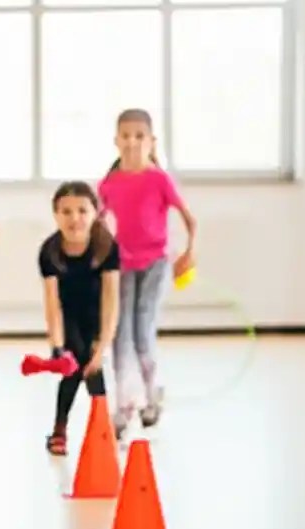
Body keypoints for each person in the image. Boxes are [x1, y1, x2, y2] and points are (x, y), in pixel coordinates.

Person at [96, 108, 197, 436]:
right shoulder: (110, 183)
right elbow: (96, 222)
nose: (132, 142)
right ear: (116, 140)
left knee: (142, 331)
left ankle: (153, 395)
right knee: (118, 335)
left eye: (139, 136)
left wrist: (188, 253)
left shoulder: (159, 179)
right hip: (122, 265)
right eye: (125, 136)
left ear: (151, 141)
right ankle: (125, 405)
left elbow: (190, 219)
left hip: (154, 264)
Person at [37, 182, 121, 455]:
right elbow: (52, 304)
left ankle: (99, 428)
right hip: (69, 317)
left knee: (93, 364)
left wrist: (104, 344)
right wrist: (57, 346)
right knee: (75, 366)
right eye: (66, 212)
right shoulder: (50, 251)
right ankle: (65, 430)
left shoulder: (106, 247)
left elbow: (111, 299)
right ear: (56, 215)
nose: (75, 219)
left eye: (82, 211)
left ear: (95, 213)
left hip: (96, 316)